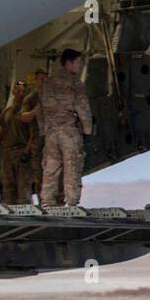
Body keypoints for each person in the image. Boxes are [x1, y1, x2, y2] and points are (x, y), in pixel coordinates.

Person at [39, 49, 94, 206]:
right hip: (68, 131)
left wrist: (43, 130)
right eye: (78, 62)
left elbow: (40, 110)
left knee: (51, 167)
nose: (80, 65)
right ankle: (71, 202)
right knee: (72, 166)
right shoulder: (75, 83)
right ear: (69, 63)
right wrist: (87, 131)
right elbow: (83, 108)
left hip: (51, 133)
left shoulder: (48, 83)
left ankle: (47, 201)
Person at [0, 80, 34, 204]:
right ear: (13, 92)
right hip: (7, 153)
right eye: (18, 90)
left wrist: (27, 151)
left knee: (23, 187)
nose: (20, 93)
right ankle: (10, 217)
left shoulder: (27, 113)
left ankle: (26, 218)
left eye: (23, 91)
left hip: (22, 152)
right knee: (8, 187)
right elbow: (2, 131)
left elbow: (33, 134)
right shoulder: (7, 112)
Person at [19, 70, 47, 200]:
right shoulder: (31, 99)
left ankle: (57, 202)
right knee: (40, 173)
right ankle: (44, 202)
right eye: (40, 79)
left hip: (53, 139)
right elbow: (24, 118)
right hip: (38, 141)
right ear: (36, 80)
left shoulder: (54, 95)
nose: (43, 82)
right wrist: (35, 112)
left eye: (45, 79)